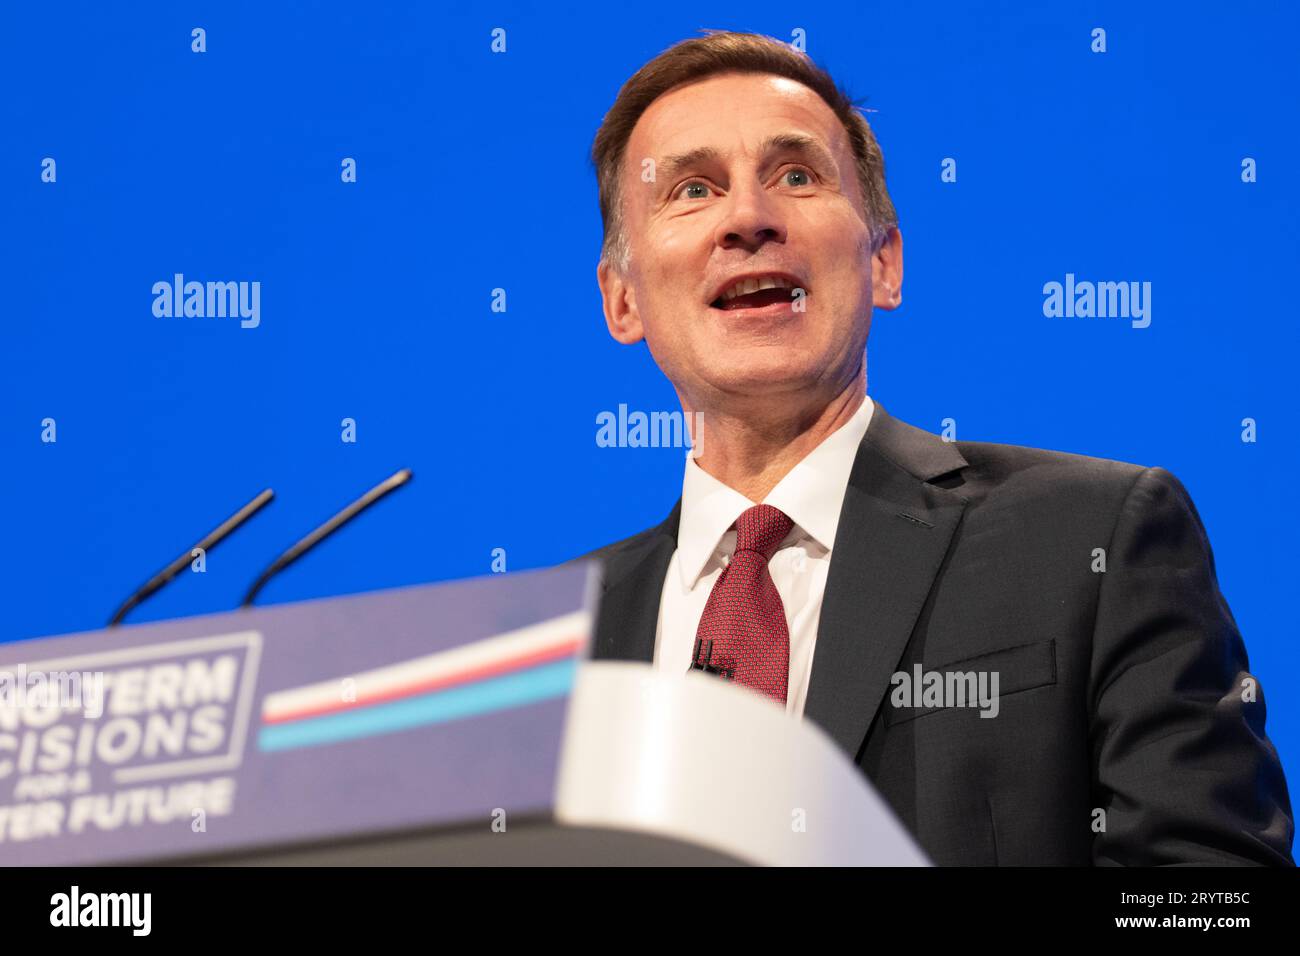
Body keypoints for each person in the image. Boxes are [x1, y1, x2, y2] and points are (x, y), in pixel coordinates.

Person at [572, 30, 1293, 865]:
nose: (748, 218)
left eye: (796, 175)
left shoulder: (1093, 538)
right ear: (622, 300)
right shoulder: (546, 648)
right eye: (692, 189)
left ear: (885, 261)